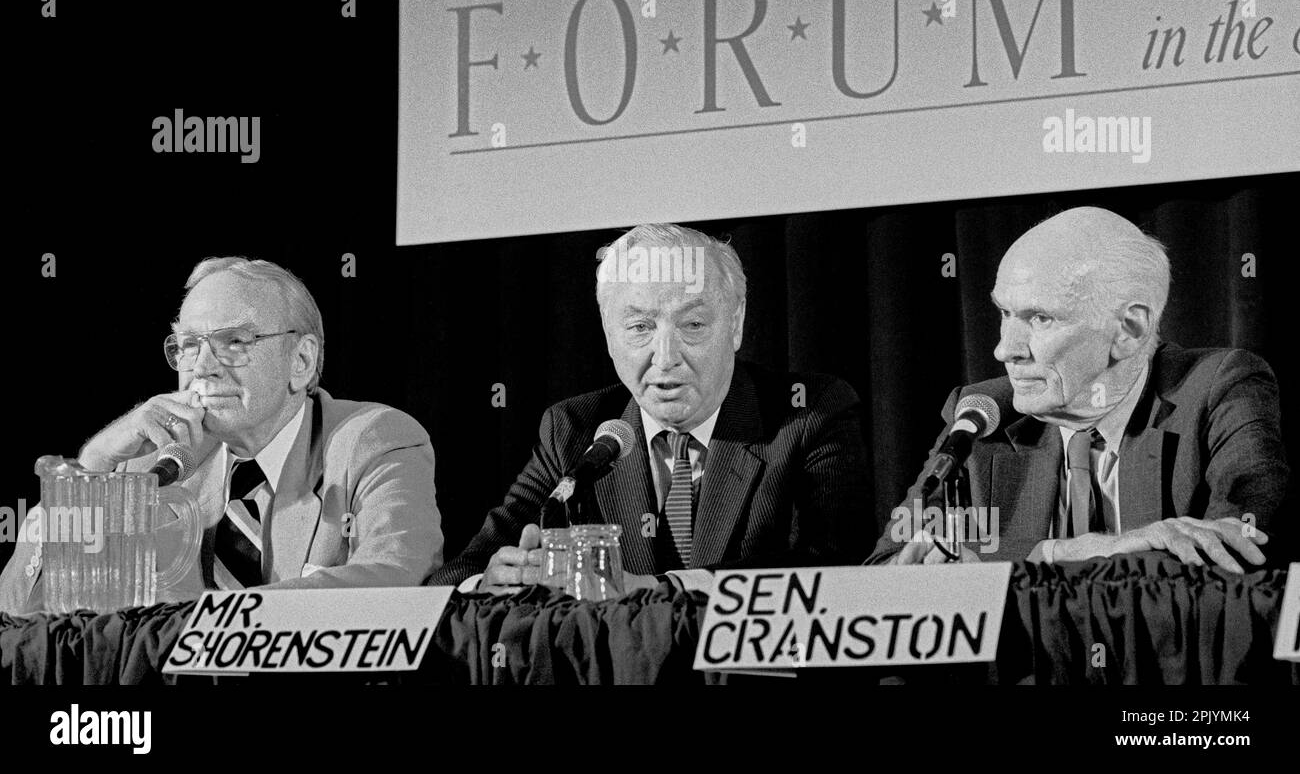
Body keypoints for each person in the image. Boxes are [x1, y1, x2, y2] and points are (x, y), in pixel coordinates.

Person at [428, 224, 871, 592]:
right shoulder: (574, 431)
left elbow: (833, 572)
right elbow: (454, 578)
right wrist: (489, 583)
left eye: (692, 324)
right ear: (607, 332)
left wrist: (654, 590)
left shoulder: (809, 416)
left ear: (734, 324)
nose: (665, 356)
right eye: (640, 327)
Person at [0, 257, 443, 613]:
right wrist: (94, 465)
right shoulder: (148, 463)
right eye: (190, 344)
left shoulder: (375, 440)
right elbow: (26, 615)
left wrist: (202, 627)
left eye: (234, 341)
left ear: (301, 361)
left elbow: (395, 581)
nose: (203, 366)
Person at [869, 207, 1291, 570]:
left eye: (1040, 318)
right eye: (1004, 312)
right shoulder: (981, 415)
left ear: (1130, 328)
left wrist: (1021, 573)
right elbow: (879, 577)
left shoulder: (1219, 390)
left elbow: (1238, 557)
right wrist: (1064, 553)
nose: (1004, 349)